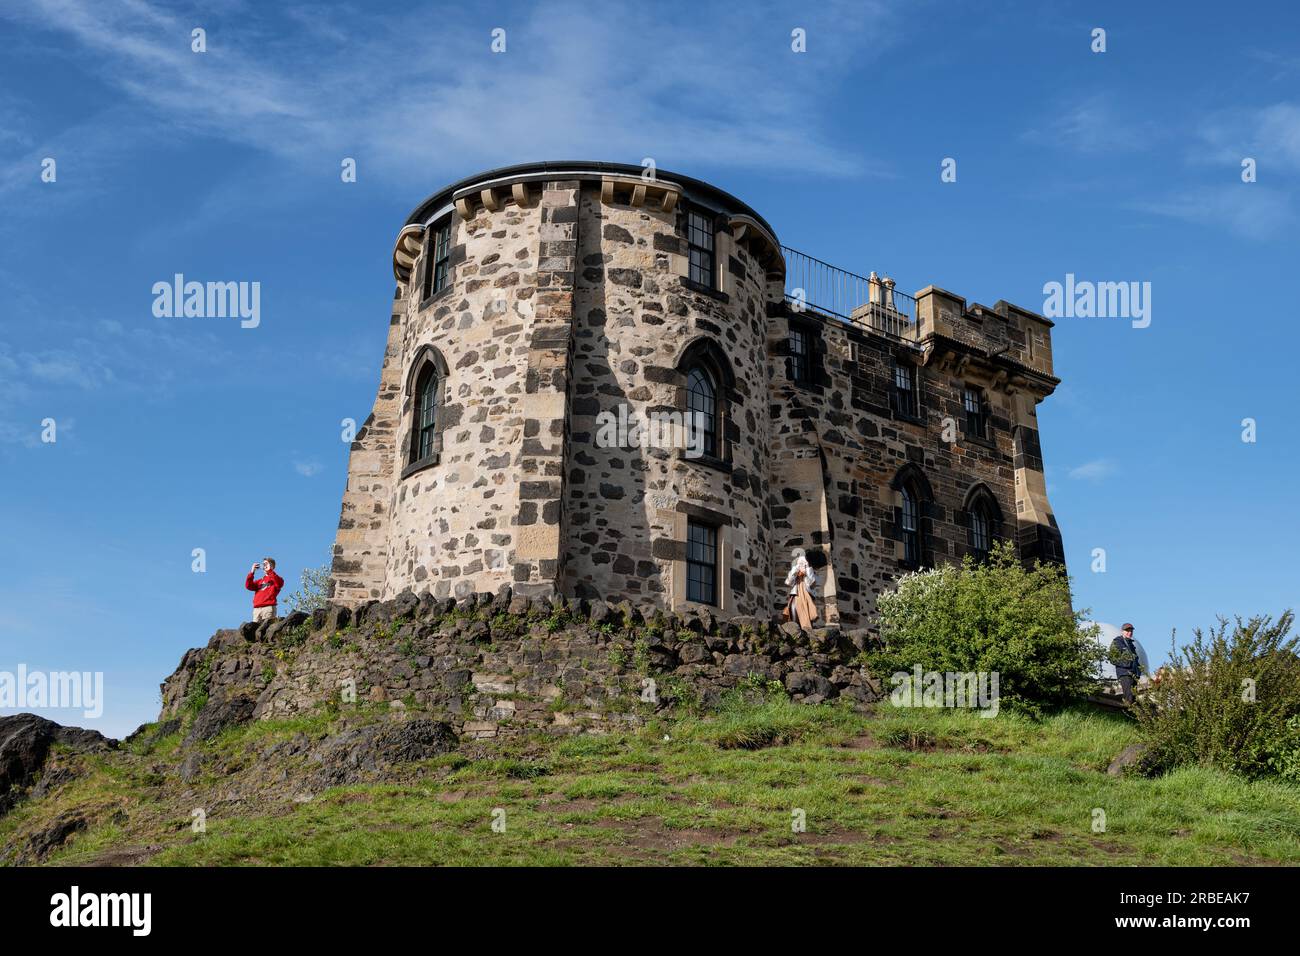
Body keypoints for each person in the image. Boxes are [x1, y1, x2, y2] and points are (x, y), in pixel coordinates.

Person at [782, 548, 819, 631]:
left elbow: (811, 583)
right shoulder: (795, 570)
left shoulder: (812, 572)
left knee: (807, 619)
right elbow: (789, 582)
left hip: (807, 598)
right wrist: (796, 570)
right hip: (796, 595)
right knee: (794, 617)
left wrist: (807, 570)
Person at [245, 558, 284, 623]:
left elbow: (279, 583)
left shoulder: (277, 578)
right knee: (255, 631)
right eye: (263, 564)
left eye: (266, 564)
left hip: (268, 608)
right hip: (257, 609)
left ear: (272, 566)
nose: (264, 566)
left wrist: (270, 571)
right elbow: (248, 586)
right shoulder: (259, 581)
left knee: (266, 629)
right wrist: (252, 571)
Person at [1111, 623, 1141, 704]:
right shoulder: (1117, 642)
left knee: (1134, 698)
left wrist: (1138, 671)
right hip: (1125, 673)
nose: (1129, 632)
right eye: (1127, 630)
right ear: (1122, 631)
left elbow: (1135, 660)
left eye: (1131, 631)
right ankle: (1127, 714)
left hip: (1134, 674)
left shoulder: (1130, 643)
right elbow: (1112, 658)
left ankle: (1131, 714)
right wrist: (1127, 664)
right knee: (1129, 697)